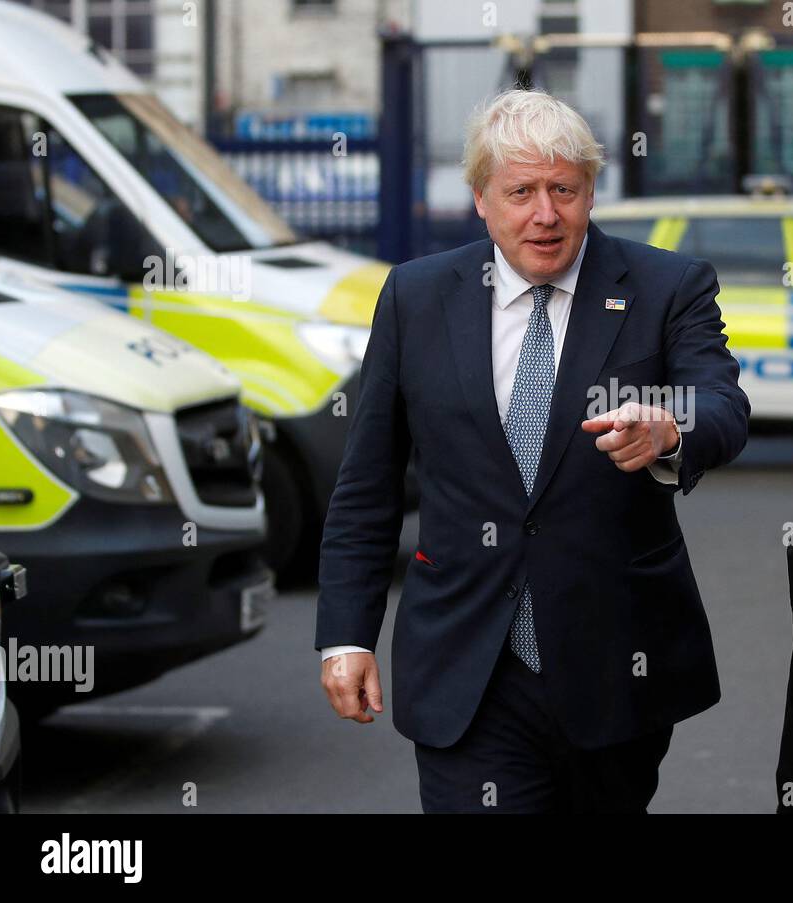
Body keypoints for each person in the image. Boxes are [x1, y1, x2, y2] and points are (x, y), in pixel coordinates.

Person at [316, 88, 750, 813]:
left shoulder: (665, 286)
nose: (545, 214)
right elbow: (367, 483)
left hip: (615, 666)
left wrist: (668, 426)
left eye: (564, 190)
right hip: (468, 668)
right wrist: (344, 635)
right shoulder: (416, 297)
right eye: (521, 192)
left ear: (589, 193)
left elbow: (722, 404)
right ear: (481, 198)